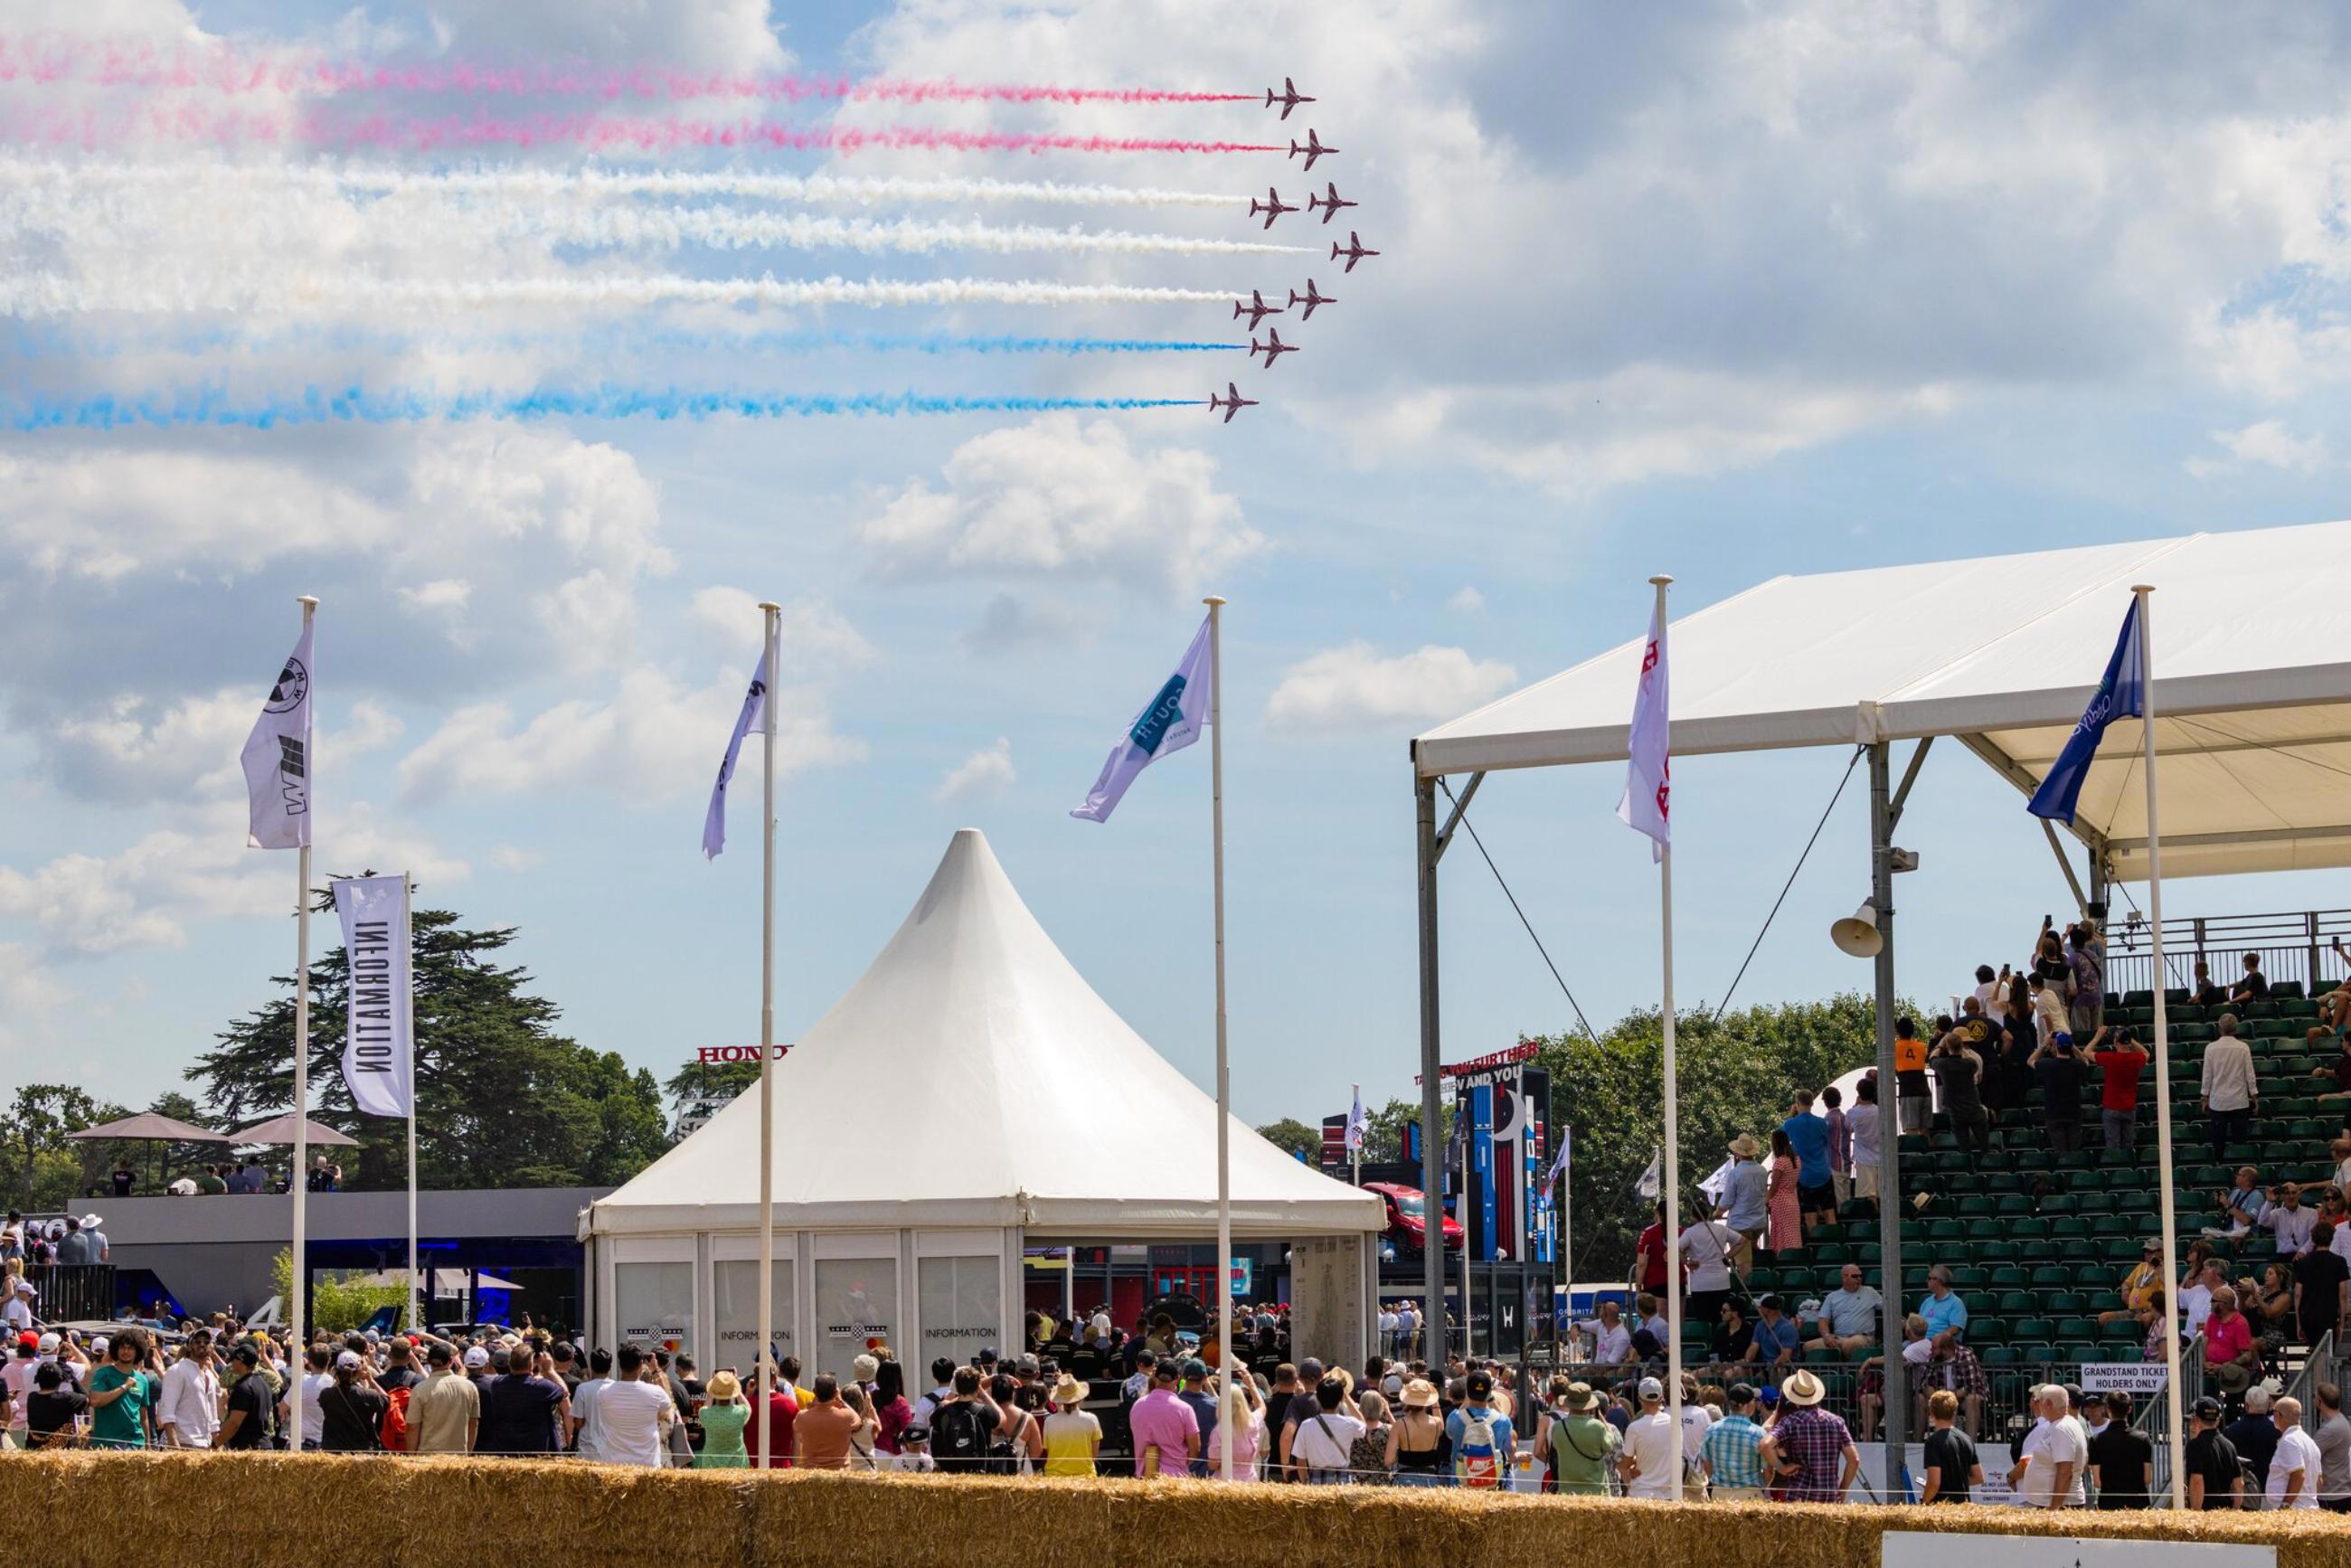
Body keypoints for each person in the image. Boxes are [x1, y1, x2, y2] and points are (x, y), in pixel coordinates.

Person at [1758, 1369, 1857, 1502]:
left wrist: (1781, 1468)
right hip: (1829, 1497)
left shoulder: (1790, 1421)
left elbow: (1765, 1445)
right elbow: (1854, 1459)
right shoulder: (1836, 1421)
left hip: (1799, 1497)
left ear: (1794, 1398)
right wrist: (1843, 1489)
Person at [596, 1346, 676, 1469]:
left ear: (620, 1365)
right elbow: (668, 1405)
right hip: (647, 1467)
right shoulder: (655, 1392)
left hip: (615, 1467)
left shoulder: (603, 1392)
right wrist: (655, 1371)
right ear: (641, 1364)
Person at [2009, 1384, 2085, 1510]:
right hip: (2054, 1503)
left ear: (2048, 1404)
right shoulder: (2063, 1424)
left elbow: (2065, 1472)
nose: (2037, 1405)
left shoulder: (2061, 1428)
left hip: (2059, 1505)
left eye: (2040, 1401)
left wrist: (2054, 1508)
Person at [1540, 1381, 1615, 1495]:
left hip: (1567, 1491)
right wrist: (1602, 1420)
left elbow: (1555, 1446)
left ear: (1569, 1404)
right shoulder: (1597, 1427)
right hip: (1595, 1491)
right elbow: (1610, 1445)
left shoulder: (1558, 1427)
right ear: (1589, 1406)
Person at [1932, 1011, 1992, 1155]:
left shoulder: (1943, 1065)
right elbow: (1979, 1076)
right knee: (1985, 1147)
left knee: (1964, 1150)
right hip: (1973, 1108)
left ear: (1948, 1046)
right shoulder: (1971, 1062)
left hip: (1956, 1112)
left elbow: (1932, 1057)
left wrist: (1941, 1043)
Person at [1446, 1368, 1515, 1490]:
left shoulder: (1455, 1418)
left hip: (1461, 1484)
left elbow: (1449, 1433)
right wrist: (1492, 1400)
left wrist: (1467, 1398)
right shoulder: (1502, 1421)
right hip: (1492, 1484)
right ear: (1490, 1392)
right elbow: (1508, 1446)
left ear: (1467, 1391)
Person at [1128, 1359, 1198, 1478]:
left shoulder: (1137, 1406)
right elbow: (1194, 1450)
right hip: (1175, 1478)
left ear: (1155, 1377)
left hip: (1143, 1477)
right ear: (1178, 1380)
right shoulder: (1185, 1409)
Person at [406, 1341, 479, 1455]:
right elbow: (473, 1424)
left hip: (426, 1458)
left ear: (429, 1361)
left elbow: (413, 1427)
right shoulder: (469, 1386)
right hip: (458, 1457)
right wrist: (467, 1454)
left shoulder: (420, 1390)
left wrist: (410, 1457)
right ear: (450, 1361)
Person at [85, 1327, 152, 1451]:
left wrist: (147, 1443)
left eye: (131, 1348)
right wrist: (124, 1387)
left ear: (138, 1352)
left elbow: (144, 1415)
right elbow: (95, 1400)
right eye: (122, 1347)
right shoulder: (103, 1374)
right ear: (116, 1349)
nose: (126, 1351)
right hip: (108, 1444)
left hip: (136, 1442)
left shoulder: (142, 1380)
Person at [2202, 1015, 2259, 1159]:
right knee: (2240, 1144)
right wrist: (2254, 1098)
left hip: (2217, 1102)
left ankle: (2219, 1168)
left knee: (2218, 1144)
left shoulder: (2210, 1048)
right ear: (2235, 1029)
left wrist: (2204, 1097)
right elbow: (2250, 1076)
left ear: (2219, 1028)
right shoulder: (2243, 1048)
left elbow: (2207, 1076)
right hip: (2239, 1102)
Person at [1289, 1374, 1364, 1485]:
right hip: (1342, 1481)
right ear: (1340, 1398)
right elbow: (1363, 1425)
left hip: (1315, 1480)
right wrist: (1347, 1399)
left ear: (1318, 1398)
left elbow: (1300, 1460)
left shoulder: (1306, 1425)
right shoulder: (1350, 1423)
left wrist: (1305, 1482)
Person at [2086, 1024, 2148, 1153]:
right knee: (2128, 1145)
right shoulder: (2136, 1058)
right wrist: (2130, 1039)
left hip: (2111, 1107)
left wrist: (2098, 1036)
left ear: (2115, 1041)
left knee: (2112, 1145)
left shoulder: (2110, 1058)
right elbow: (2146, 1053)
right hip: (2129, 1108)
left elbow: (2086, 1052)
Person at [1700, 1383, 1767, 1501]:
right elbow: (1768, 1470)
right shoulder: (1758, 1433)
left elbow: (1706, 1462)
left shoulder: (1712, 1429)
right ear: (1749, 1404)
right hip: (1749, 1494)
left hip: (1719, 1493)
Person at [2085, 1389, 2151, 1509]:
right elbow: (2147, 1479)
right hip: (2138, 1504)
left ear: (2107, 1410)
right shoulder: (2143, 1438)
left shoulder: (2096, 1440)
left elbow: (2097, 1482)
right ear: (2129, 1409)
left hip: (2109, 1504)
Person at [1619, 1375, 1682, 1500]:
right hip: (1669, 1494)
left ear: (1639, 1399)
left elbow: (1626, 1463)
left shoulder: (1634, 1428)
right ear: (1661, 1398)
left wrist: (1631, 1465)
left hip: (1641, 1493)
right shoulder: (1675, 1424)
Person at [156, 1327, 219, 1449]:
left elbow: (213, 1415)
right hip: (183, 1442)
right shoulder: (177, 1370)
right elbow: (167, 1411)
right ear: (190, 1347)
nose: (202, 1345)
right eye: (197, 1341)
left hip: (206, 1444)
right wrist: (174, 1445)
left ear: (212, 1347)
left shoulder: (210, 1375)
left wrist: (217, 1444)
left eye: (206, 1342)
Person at [1678, 1208, 1741, 1328]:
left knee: (1703, 1321)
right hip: (1721, 1282)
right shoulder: (1721, 1229)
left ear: (1693, 1216)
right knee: (1721, 1319)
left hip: (1700, 1283)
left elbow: (1676, 1249)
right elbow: (1741, 1241)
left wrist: (1687, 1262)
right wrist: (1727, 1257)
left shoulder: (1690, 1232)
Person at [1782, 1094, 1836, 1233]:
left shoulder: (1790, 1124)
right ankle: (1833, 1241)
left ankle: (1816, 1245)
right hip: (1823, 1173)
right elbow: (1826, 1143)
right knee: (1830, 1213)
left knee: (1810, 1216)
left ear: (1797, 1103)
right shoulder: (1821, 1123)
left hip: (1803, 1175)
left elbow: (1777, 1138)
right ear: (1812, 1103)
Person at [1806, 1264, 1883, 1361]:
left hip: (1862, 1337)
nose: (1859, 1279)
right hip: (1839, 1338)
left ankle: (1850, 1371)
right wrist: (1827, 1336)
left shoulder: (1870, 1292)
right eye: (1855, 1276)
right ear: (1844, 1278)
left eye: (1860, 1276)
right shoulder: (1832, 1297)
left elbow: (1887, 1307)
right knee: (1808, 1346)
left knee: (1849, 1344)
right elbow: (1823, 1320)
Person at [2028, 1030, 2088, 1156]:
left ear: (2057, 1047)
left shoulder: (2047, 1064)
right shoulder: (2077, 1065)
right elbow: (2085, 1061)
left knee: (2060, 1153)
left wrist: (2043, 1045)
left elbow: (2030, 1061)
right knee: (2074, 1153)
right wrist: (2074, 1047)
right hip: (2073, 1113)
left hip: (2054, 1114)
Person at [317, 1350, 389, 1453]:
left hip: (334, 1453)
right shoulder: (369, 1395)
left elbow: (330, 1394)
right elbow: (387, 1402)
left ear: (337, 1370)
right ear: (359, 1370)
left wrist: (338, 1379)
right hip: (362, 1452)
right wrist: (370, 1380)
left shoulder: (326, 1395)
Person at [1918, 1388, 1979, 1504]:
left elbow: (1934, 1482)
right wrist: (1957, 1483)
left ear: (1931, 1414)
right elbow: (1978, 1477)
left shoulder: (1933, 1442)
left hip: (1941, 1508)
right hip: (1964, 1508)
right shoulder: (1967, 1439)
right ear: (1954, 1413)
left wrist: (1924, 1502)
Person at [2184, 1395, 2243, 1510]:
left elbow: (2197, 1482)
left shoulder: (2195, 1445)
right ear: (2218, 1419)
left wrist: (2196, 1514)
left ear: (2196, 1419)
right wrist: (2235, 1511)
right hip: (2225, 1513)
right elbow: (2239, 1484)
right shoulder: (2229, 1445)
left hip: (2205, 1513)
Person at [217, 1342, 279, 1450]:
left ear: (240, 1362)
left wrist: (216, 1443)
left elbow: (234, 1423)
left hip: (248, 1449)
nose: (231, 1364)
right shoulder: (263, 1384)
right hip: (264, 1446)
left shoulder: (243, 1388)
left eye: (233, 1360)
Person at [1719, 1135, 1769, 1268]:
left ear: (1737, 1153)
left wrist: (1717, 1212)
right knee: (1754, 1257)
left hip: (1741, 1224)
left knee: (1744, 1263)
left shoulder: (1736, 1173)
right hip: (1759, 1222)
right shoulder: (1762, 1171)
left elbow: (1726, 1201)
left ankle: (1748, 1285)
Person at [2299, 1220, 2351, 1343]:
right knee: (2327, 1353)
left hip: (2308, 1315)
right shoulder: (2339, 1262)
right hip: (2330, 1315)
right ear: (2332, 1237)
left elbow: (2297, 1294)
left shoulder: (2304, 1262)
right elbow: (2343, 1295)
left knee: (2316, 1350)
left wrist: (2298, 1322)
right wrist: (2342, 1323)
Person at [2269, 1395, 2324, 1511]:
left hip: (2294, 1513)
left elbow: (2298, 1475)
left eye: (2274, 1412)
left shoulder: (2289, 1440)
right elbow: (2319, 1481)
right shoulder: (2310, 1442)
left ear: (2278, 1415)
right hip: (2307, 1510)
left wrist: (2284, 1507)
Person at [1042, 1373, 1101, 1477]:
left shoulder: (1049, 1421)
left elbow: (1048, 1450)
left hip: (1054, 1478)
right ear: (1080, 1397)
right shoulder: (1091, 1419)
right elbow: (1094, 1456)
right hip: (1085, 1476)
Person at [2224, 1385, 2280, 1494]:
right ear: (2268, 1405)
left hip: (2241, 1491)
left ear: (2246, 1406)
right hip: (2269, 1490)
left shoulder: (2230, 1431)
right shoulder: (2277, 1432)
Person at [694, 1370, 750, 1469]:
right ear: (733, 1391)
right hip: (737, 1466)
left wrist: (712, 1389)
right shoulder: (740, 1413)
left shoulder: (706, 1414)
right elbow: (747, 1407)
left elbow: (705, 1407)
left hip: (711, 1467)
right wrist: (737, 1386)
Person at [1893, 1017, 1934, 1137]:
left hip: (1908, 1092)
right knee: (1926, 1130)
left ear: (1897, 1032)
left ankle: (1915, 1154)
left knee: (1911, 1130)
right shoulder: (1922, 1046)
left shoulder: (1894, 1048)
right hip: (1925, 1091)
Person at [1847, 1076, 1882, 1213]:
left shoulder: (1853, 1112)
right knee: (1883, 1193)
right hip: (1882, 1157)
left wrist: (1856, 1105)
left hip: (1864, 1158)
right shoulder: (1880, 1111)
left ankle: (1874, 1218)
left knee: (1870, 1195)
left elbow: (1848, 1128)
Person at [2315, 1383, 2351, 1513]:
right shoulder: (2341, 1421)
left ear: (2319, 1401)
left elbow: (2311, 1454)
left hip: (2332, 1496)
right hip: (2340, 1491)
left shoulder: (2330, 1429)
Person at [1766, 1129, 1803, 1254]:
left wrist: (1766, 1200)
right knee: (1792, 1234)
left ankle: (1783, 1257)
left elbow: (1774, 1186)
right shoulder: (1796, 1160)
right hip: (1792, 1199)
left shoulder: (1780, 1162)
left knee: (1782, 1234)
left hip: (1781, 1202)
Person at [1744, 1294, 1801, 1371]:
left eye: (1760, 1308)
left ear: (1767, 1310)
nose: (1758, 1310)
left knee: (1780, 1371)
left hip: (1785, 1368)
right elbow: (1754, 1346)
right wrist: (1747, 1361)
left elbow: (1786, 1355)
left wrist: (1771, 1368)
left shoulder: (1788, 1328)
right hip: (1765, 1367)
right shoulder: (1760, 1325)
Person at [1919, 1266, 1969, 1352]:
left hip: (1941, 1344)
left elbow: (1955, 1328)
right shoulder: (1927, 1301)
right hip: (1922, 1341)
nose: (1927, 1281)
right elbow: (1919, 1323)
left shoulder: (1956, 1303)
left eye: (1930, 1278)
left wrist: (1938, 1339)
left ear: (1939, 1281)